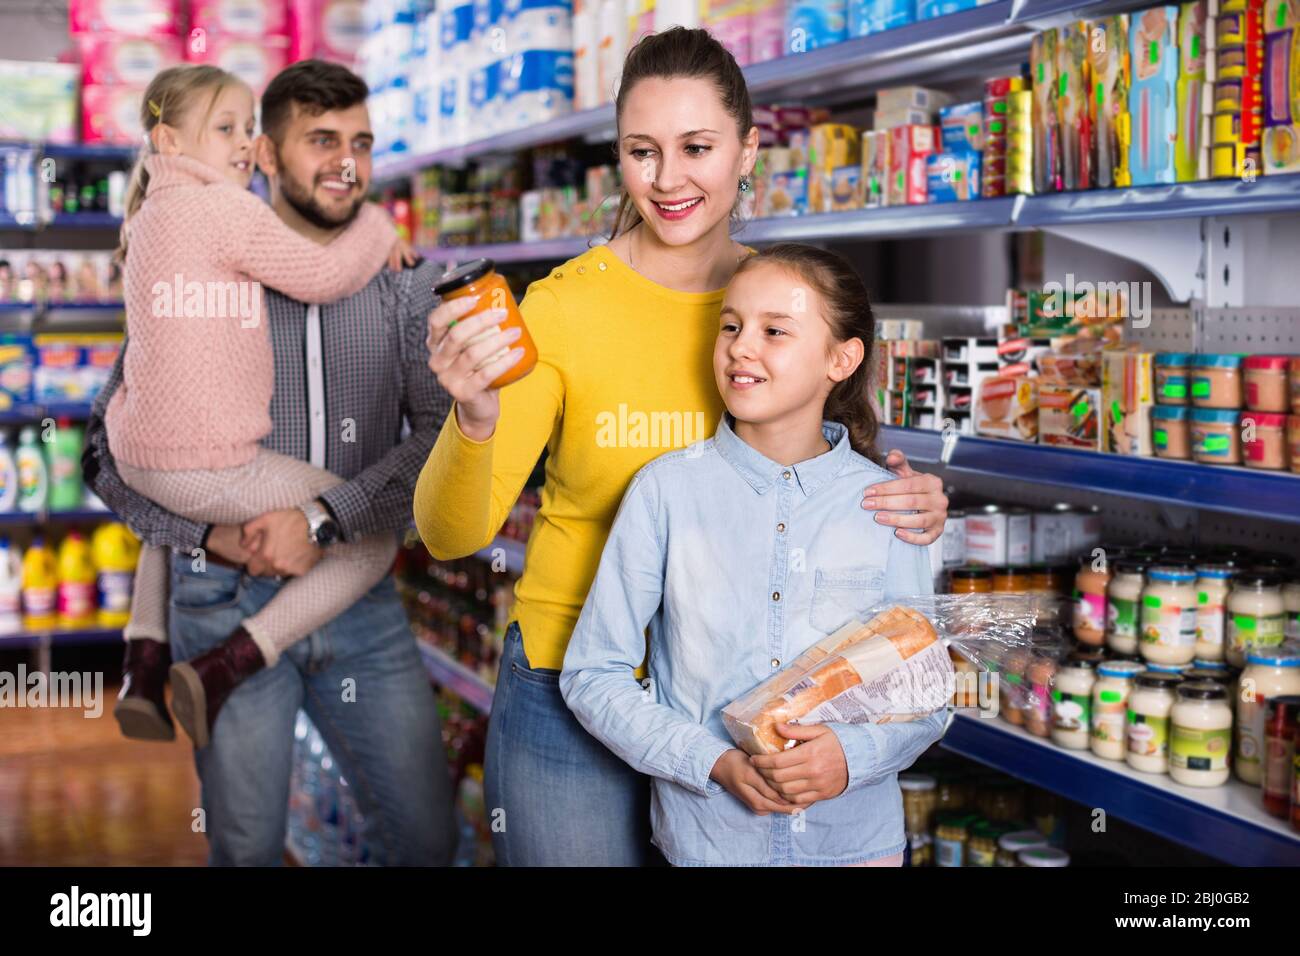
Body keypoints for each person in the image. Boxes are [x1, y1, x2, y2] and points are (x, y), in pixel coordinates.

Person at [414, 27, 949, 866]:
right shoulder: (561, 312)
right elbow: (451, 536)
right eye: (641, 152)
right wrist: (475, 419)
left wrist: (914, 501)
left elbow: (840, 460)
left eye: (696, 147)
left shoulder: (784, 302)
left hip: (743, 697)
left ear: (746, 149)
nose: (667, 180)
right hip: (574, 684)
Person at [84, 59, 456, 867]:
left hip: (360, 613)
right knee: (246, 848)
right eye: (321, 140)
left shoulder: (407, 287)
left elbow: (437, 444)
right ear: (267, 157)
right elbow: (106, 454)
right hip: (224, 592)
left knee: (428, 838)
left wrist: (327, 520)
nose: (346, 161)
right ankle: (163, 660)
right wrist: (206, 536)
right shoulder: (204, 271)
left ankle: (143, 658)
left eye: (361, 141)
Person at [561, 243, 949, 866]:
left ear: (841, 358)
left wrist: (849, 758)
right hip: (708, 844)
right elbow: (593, 673)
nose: (742, 346)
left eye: (775, 331)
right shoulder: (666, 492)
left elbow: (926, 689)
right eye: (732, 326)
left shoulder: (886, 503)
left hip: (852, 850)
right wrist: (709, 759)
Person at [106, 64, 403, 749]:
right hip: (210, 464)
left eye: (247, 128)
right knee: (370, 539)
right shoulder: (226, 208)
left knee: (171, 510)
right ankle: (224, 666)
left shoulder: (147, 216)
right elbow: (325, 276)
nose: (243, 143)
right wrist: (380, 229)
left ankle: (142, 665)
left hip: (139, 454)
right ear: (169, 141)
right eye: (225, 129)